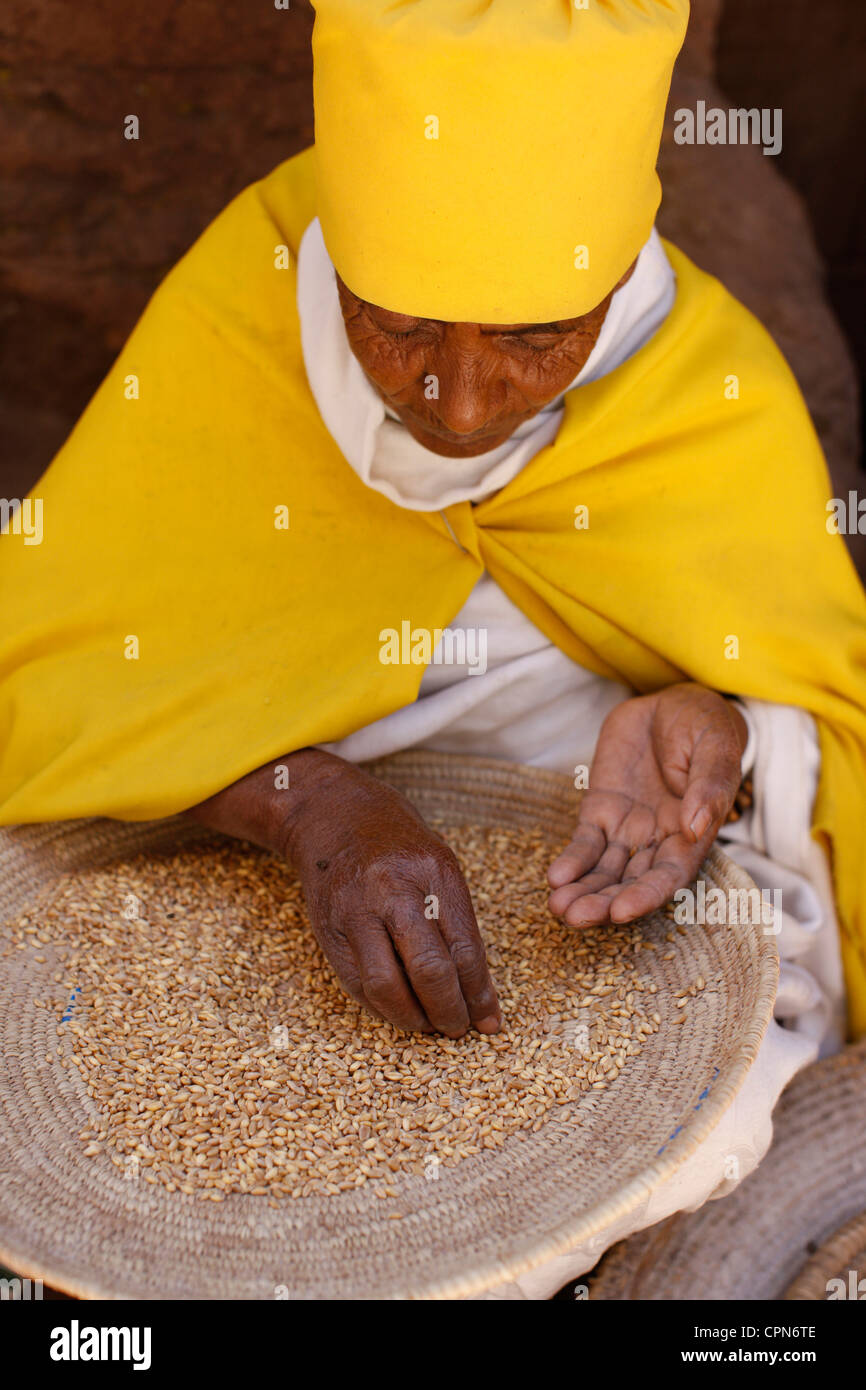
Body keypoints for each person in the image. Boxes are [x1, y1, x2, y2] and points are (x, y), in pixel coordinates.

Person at [1, 3, 865, 1285]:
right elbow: (48, 681)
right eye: (398, 326)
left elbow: (823, 710)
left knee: (725, 1125)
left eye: (532, 340)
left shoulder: (703, 387)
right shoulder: (243, 313)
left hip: (589, 865)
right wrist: (308, 803)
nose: (457, 406)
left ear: (615, 278)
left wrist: (721, 726)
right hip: (220, 846)